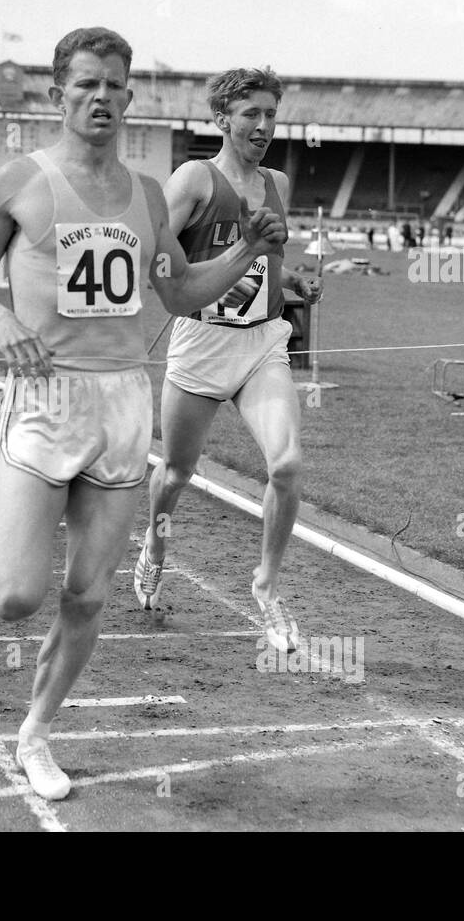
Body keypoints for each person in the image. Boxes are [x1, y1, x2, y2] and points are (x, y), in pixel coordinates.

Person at [0, 27, 287, 801]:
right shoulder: (20, 181)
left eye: (114, 86)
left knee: (89, 594)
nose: (101, 98)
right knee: (12, 599)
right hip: (47, 397)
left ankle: (35, 732)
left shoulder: (145, 193)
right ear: (59, 93)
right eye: (85, 85)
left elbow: (183, 293)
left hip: (126, 402)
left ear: (131, 97)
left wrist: (249, 252)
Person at [134, 66, 321, 656]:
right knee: (176, 474)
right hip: (199, 344)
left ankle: (266, 588)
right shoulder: (194, 178)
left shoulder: (278, 184)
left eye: (270, 114)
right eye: (251, 115)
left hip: (263, 342)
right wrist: (207, 278)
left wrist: (291, 280)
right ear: (222, 119)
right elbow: (153, 258)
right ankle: (155, 547)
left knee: (287, 465)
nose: (263, 126)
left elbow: (262, 261)